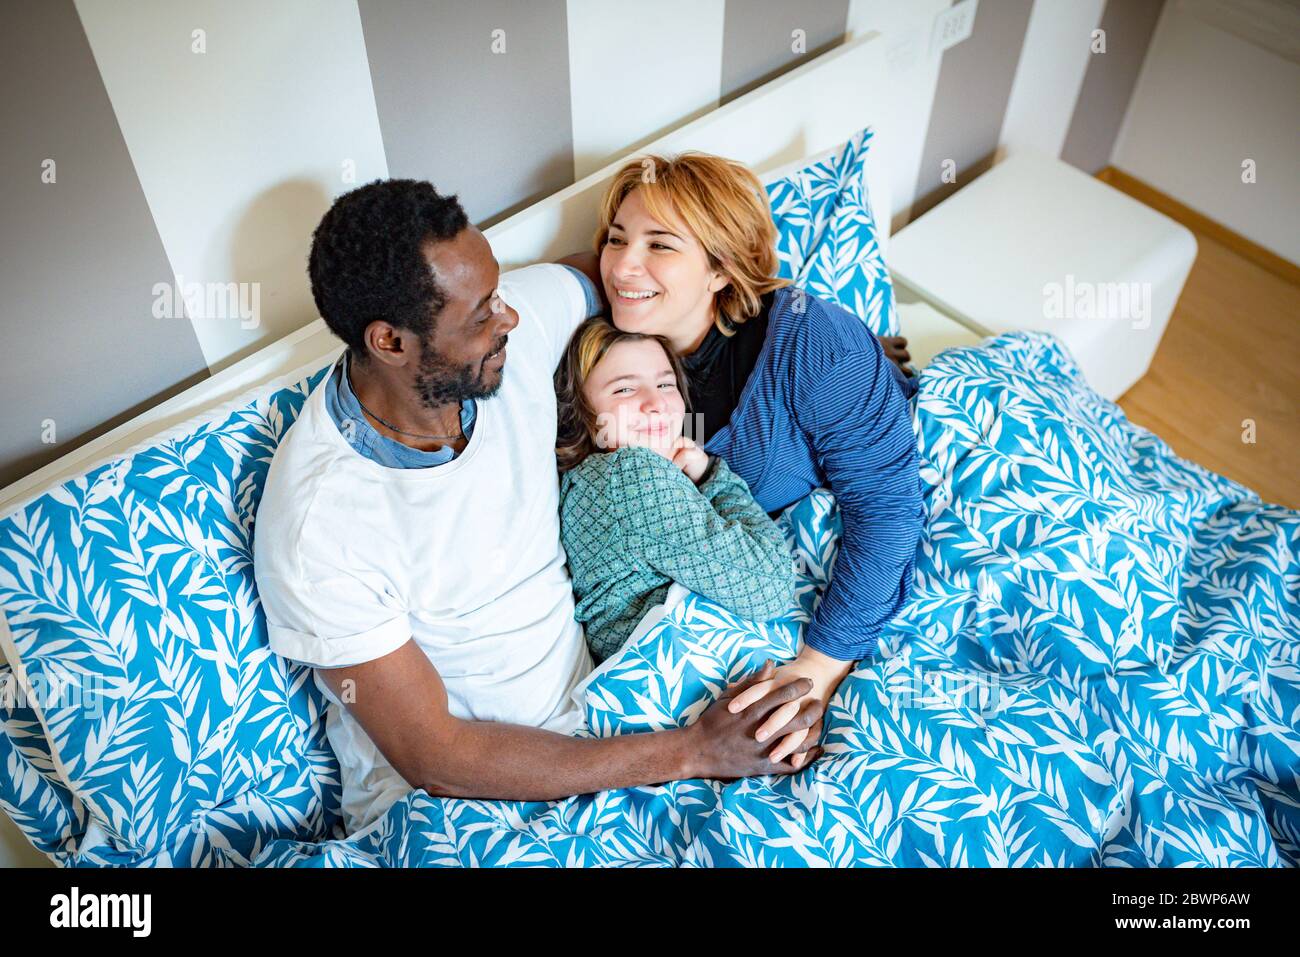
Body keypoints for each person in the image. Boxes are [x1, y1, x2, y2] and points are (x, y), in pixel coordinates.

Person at [252, 179, 823, 836]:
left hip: (607, 713)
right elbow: (437, 757)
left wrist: (786, 347)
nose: (511, 318)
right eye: (481, 314)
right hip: (459, 806)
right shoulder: (319, 523)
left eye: (498, 292)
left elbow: (619, 278)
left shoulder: (507, 329)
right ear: (390, 342)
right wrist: (693, 751)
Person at [561, 151, 925, 764]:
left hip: (855, 540)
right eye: (616, 239)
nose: (624, 264)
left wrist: (820, 663)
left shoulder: (811, 344)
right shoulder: (613, 356)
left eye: (661, 245)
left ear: (721, 270)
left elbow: (887, 511)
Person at [554, 317, 795, 666]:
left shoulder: (590, 480)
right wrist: (713, 478)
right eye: (624, 389)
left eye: (666, 385)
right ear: (582, 413)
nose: (657, 403)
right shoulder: (630, 476)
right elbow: (769, 587)